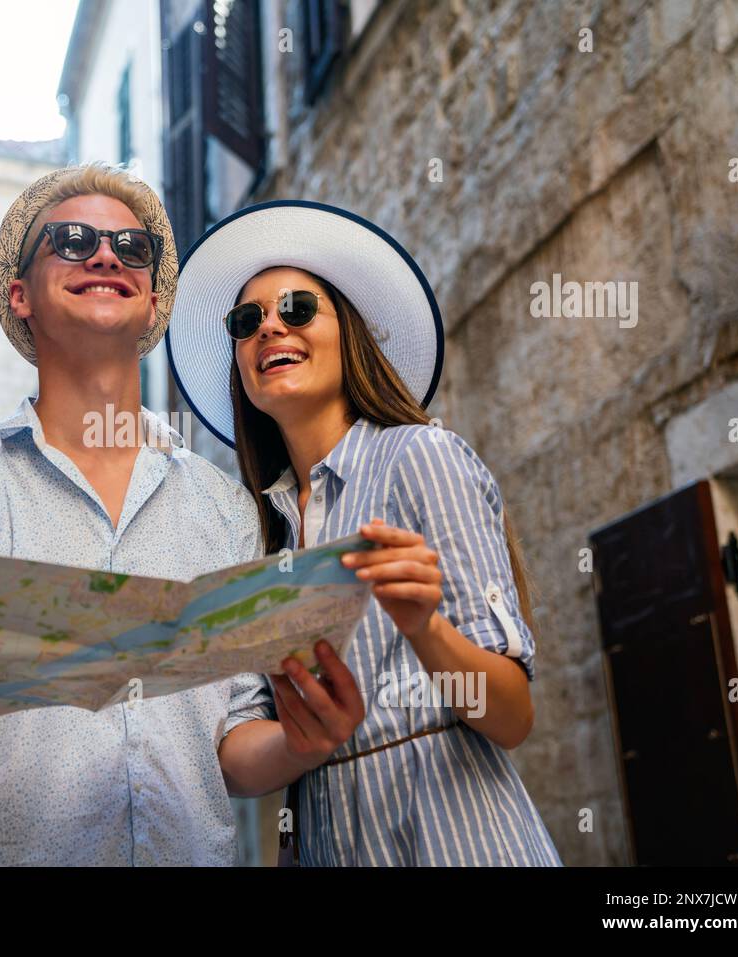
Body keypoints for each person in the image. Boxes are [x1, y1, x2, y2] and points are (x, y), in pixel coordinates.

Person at [0, 166, 366, 865]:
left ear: (153, 302)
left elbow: (234, 748)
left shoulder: (226, 508)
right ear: (19, 296)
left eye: (131, 247)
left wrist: (305, 740)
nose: (107, 254)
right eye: (73, 239)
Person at [166, 199, 562, 865]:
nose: (270, 328)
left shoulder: (420, 457)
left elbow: (513, 716)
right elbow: (236, 758)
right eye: (247, 320)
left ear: (346, 331)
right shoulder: (255, 536)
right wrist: (304, 741)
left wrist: (425, 628)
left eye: (295, 309)